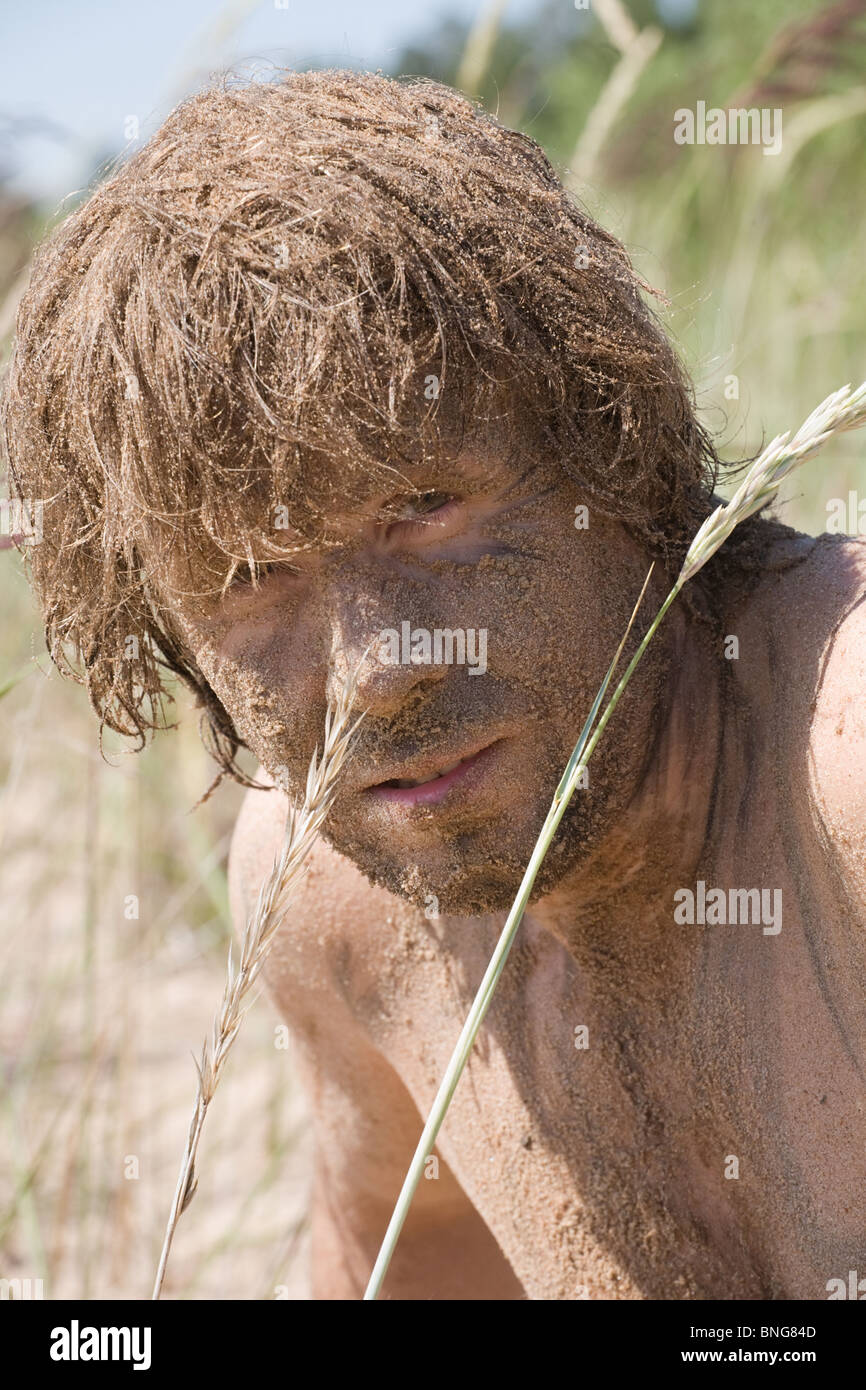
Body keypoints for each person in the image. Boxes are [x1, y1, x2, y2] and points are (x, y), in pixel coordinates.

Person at [4, 69, 864, 1300]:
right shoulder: (327, 903)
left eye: (424, 508)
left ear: (610, 436)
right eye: (247, 574)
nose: (377, 672)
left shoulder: (842, 761)